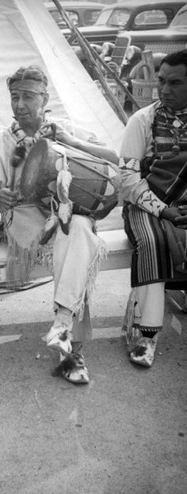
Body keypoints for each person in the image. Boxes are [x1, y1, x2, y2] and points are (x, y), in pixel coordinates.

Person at [0, 65, 118, 384]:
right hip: (24, 225)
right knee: (76, 243)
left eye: (27, 96)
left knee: (78, 229)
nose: (20, 104)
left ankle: (65, 333)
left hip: (62, 218)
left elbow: (113, 160)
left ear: (45, 98)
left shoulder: (63, 128)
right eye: (14, 97)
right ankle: (71, 347)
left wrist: (68, 140)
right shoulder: (1, 141)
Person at [119, 49, 187, 367]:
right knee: (152, 242)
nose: (164, 90)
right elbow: (128, 180)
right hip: (145, 203)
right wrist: (163, 209)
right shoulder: (141, 121)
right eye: (161, 81)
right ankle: (146, 336)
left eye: (175, 83)